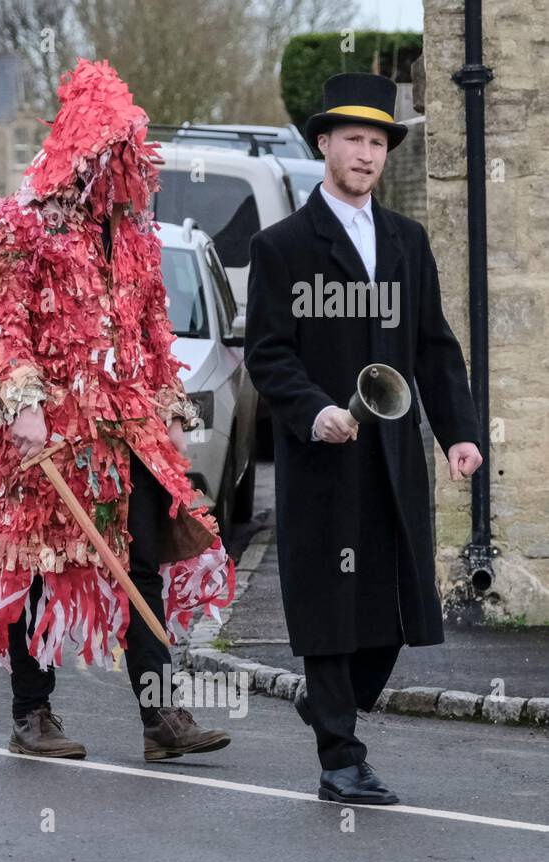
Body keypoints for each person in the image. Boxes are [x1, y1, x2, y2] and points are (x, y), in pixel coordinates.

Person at [0, 59, 236, 761]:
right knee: (42, 564)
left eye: (130, 154)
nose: (122, 168)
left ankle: (160, 718)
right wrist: (23, 401)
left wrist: (167, 405)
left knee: (140, 562)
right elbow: (0, 322)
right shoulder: (19, 228)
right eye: (110, 151)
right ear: (79, 149)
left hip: (127, 430)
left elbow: (150, 331)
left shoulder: (137, 237)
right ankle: (32, 714)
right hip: (50, 431)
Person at [244, 73, 483, 805]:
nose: (367, 153)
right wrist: (314, 411)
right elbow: (268, 353)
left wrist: (459, 436)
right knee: (329, 609)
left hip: (393, 458)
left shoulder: (409, 241)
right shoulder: (281, 245)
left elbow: (436, 348)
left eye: (378, 142)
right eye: (354, 138)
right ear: (324, 143)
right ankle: (340, 757)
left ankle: (331, 703)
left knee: (392, 606)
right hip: (323, 458)